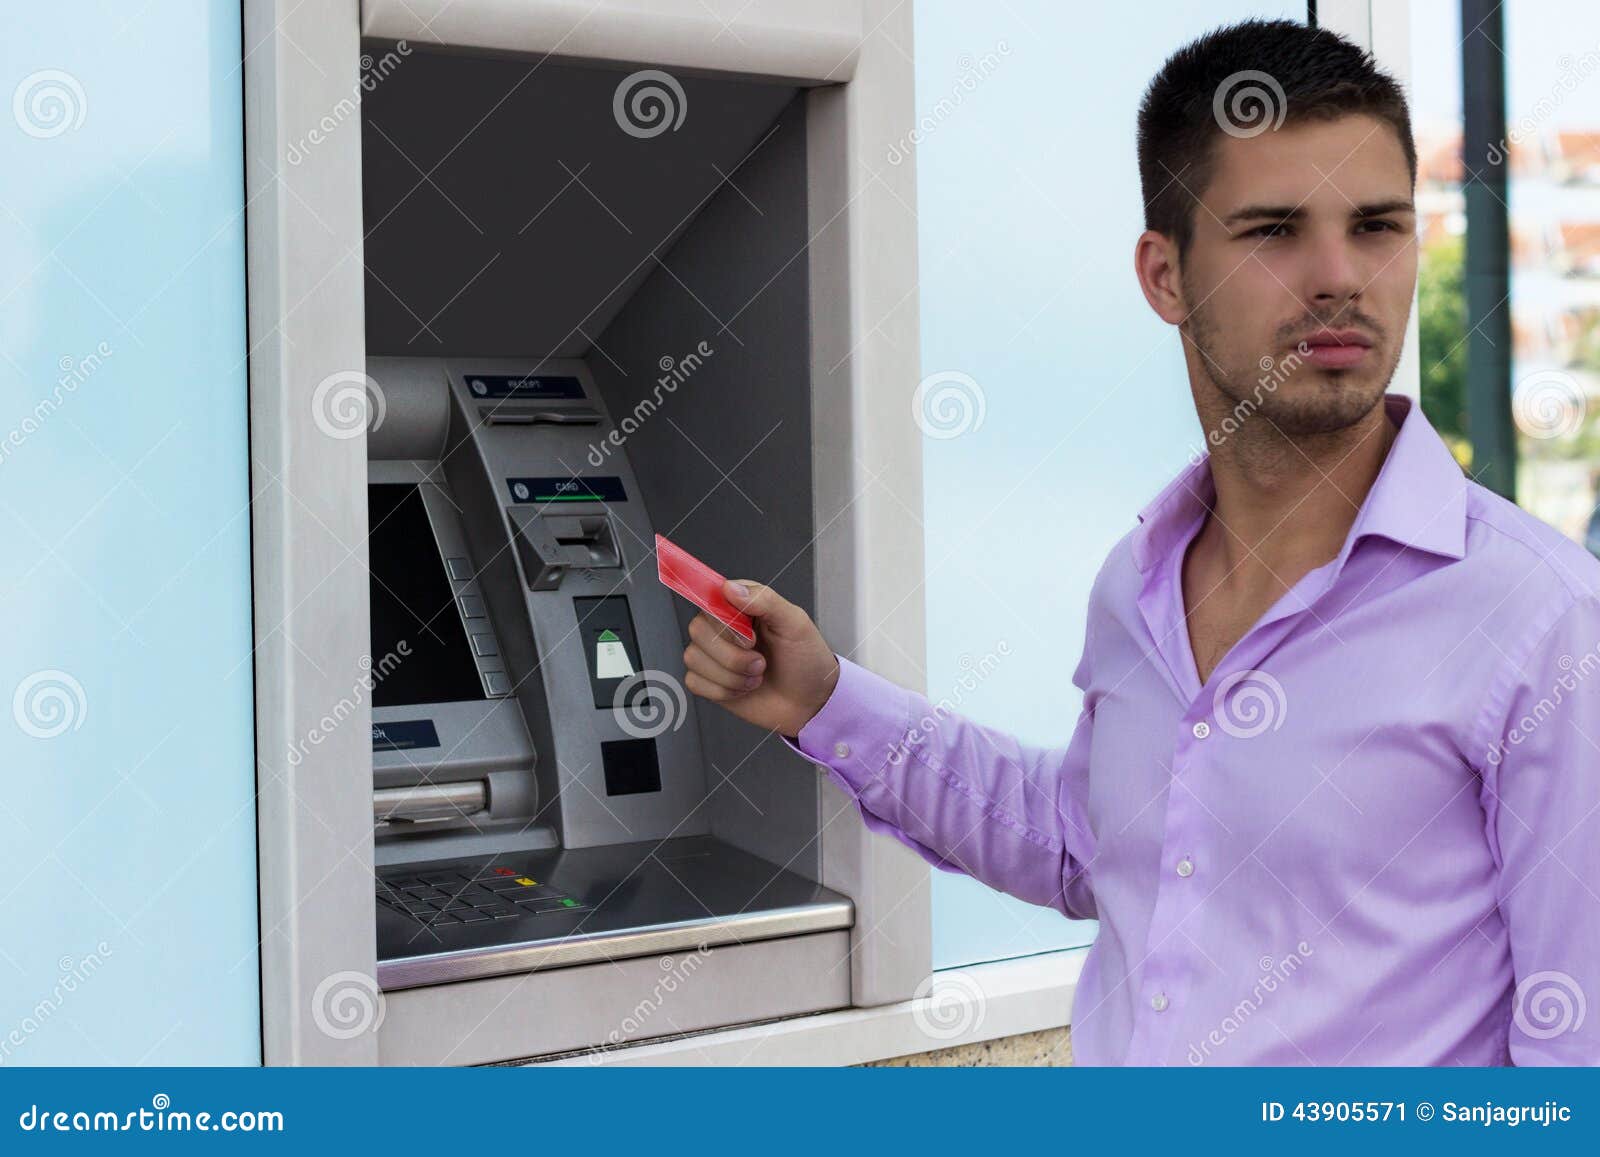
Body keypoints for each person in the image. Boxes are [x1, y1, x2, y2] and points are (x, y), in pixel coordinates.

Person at [680, 18, 1600, 1065]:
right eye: (1273, 230)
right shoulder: (1140, 581)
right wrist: (824, 698)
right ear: (1164, 276)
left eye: (1378, 226)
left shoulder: (1541, 618)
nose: (1339, 274)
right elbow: (1088, 842)